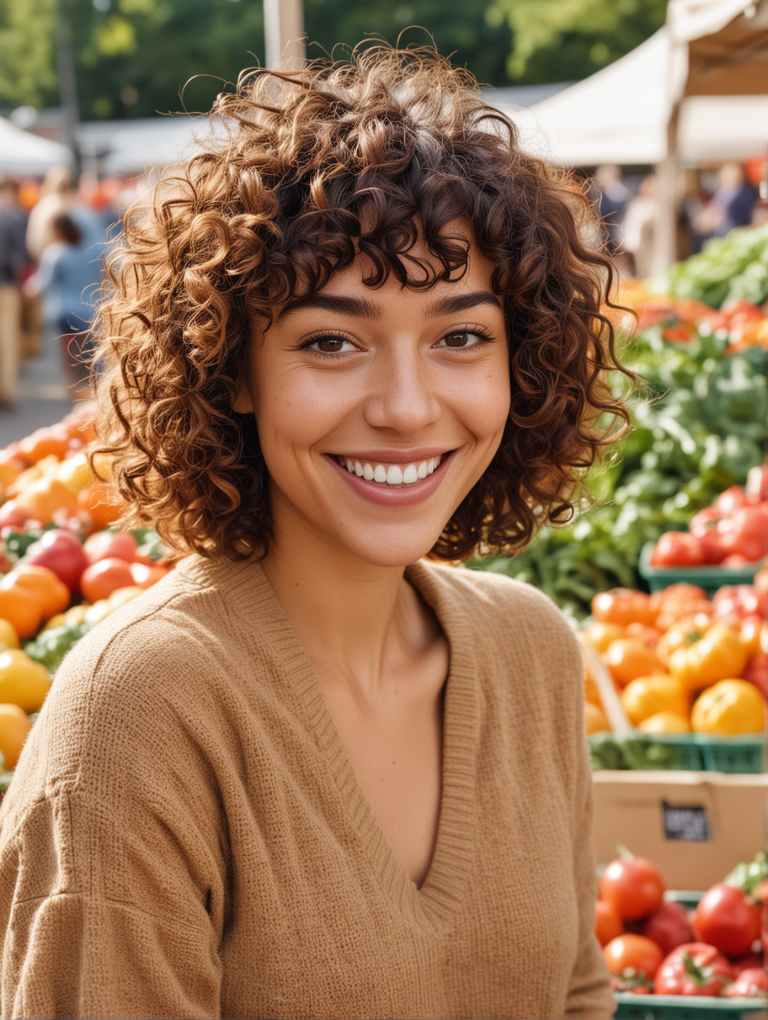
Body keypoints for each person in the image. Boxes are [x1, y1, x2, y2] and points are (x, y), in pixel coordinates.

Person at [0, 48, 629, 1019]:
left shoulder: (531, 649)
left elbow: (577, 997)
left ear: (527, 360)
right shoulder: (138, 715)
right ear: (232, 367)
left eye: (461, 335)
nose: (407, 407)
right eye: (331, 341)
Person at [33, 212, 102, 400]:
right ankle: (90, 387)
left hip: (63, 310)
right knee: (89, 351)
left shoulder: (55, 253)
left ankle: (74, 387)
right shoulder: (90, 252)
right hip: (90, 309)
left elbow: (43, 284)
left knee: (69, 352)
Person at [0, 176, 29, 406]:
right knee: (7, 339)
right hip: (6, 284)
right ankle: (6, 390)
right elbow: (20, 255)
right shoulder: (11, 217)